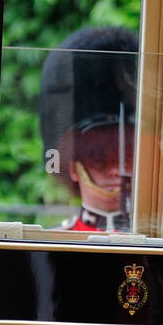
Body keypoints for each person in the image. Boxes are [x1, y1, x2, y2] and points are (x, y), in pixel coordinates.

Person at [39, 26, 139, 232]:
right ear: (76, 169)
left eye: (127, 160)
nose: (116, 171)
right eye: (100, 161)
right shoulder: (55, 240)